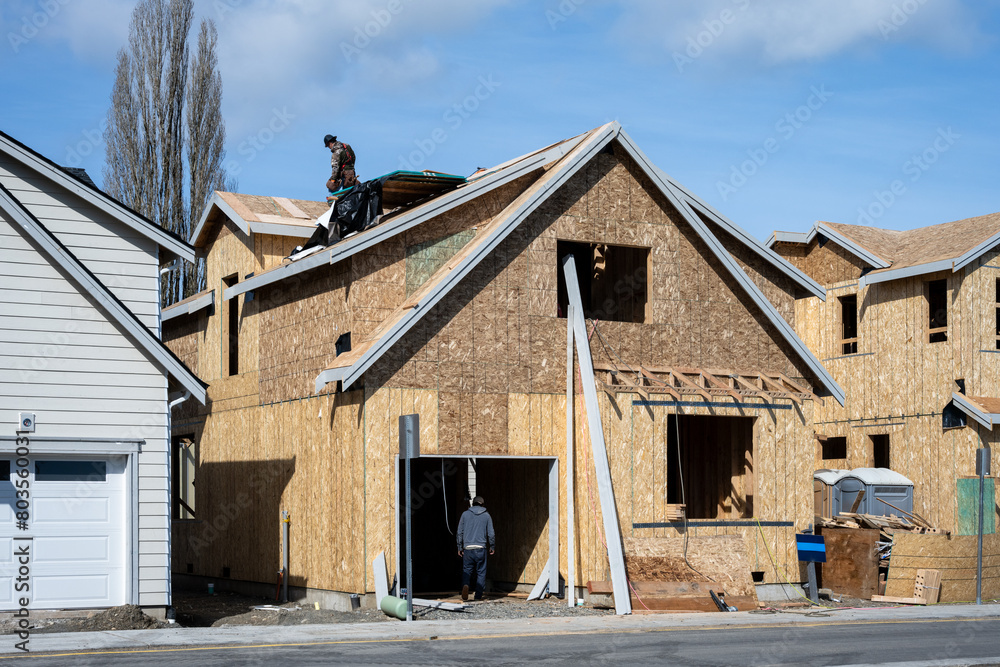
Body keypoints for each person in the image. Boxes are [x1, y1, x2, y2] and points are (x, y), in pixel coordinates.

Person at [456, 495, 495, 601]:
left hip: (468, 548)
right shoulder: (487, 516)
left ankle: (465, 585)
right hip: (481, 548)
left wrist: (460, 547)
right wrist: (492, 546)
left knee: (467, 570)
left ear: (473, 503)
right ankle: (478, 596)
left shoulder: (465, 514)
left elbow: (460, 532)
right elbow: (491, 534)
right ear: (482, 504)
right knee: (481, 572)